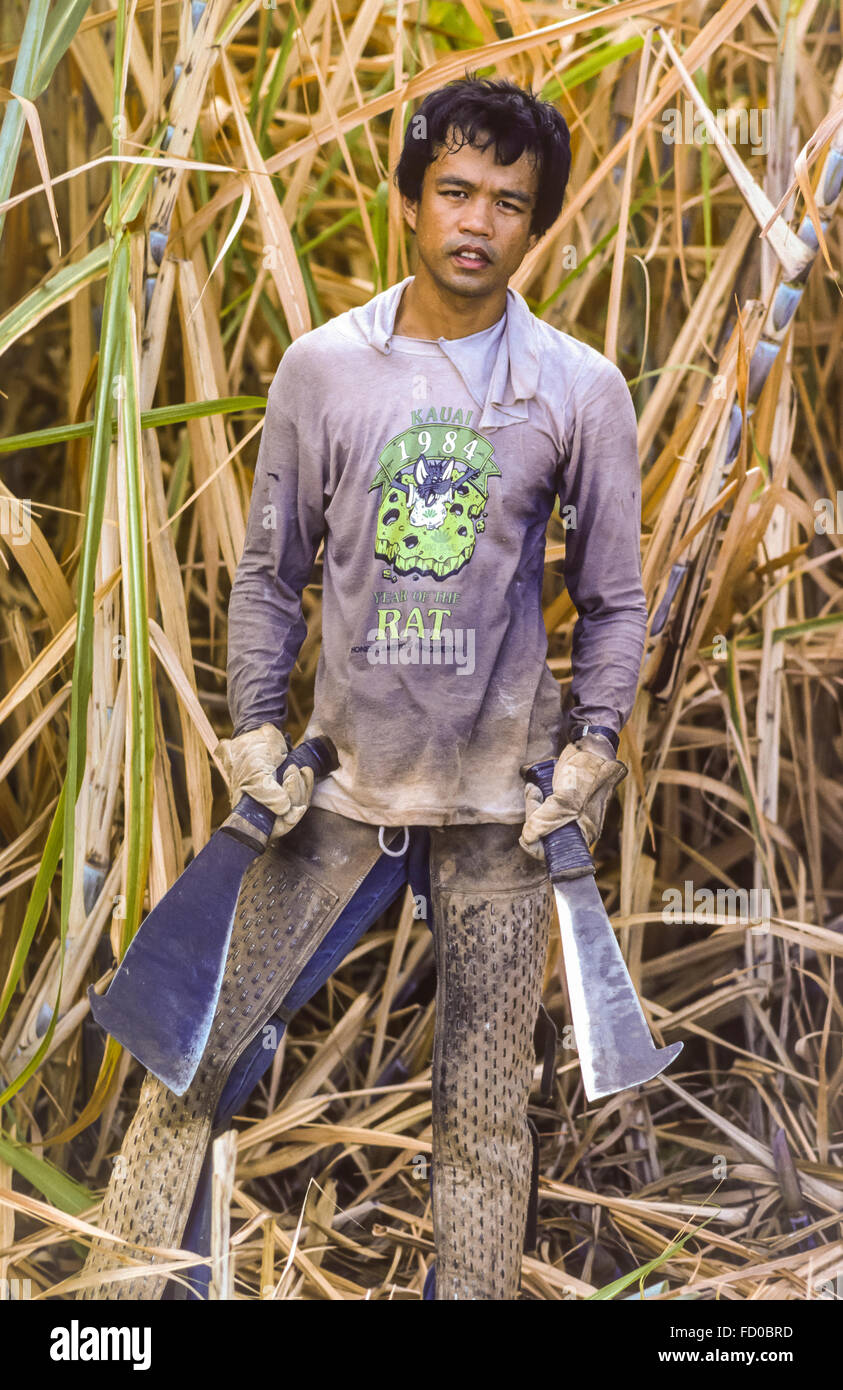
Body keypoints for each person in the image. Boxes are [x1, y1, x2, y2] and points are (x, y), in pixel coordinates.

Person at [80, 73, 647, 1302]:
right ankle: (123, 1311)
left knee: (489, 1122)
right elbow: (270, 575)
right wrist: (253, 732)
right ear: (407, 198)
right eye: (454, 190)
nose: (477, 222)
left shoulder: (576, 387)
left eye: (509, 201)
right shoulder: (324, 371)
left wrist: (593, 749)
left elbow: (615, 599)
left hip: (507, 811)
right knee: (196, 1055)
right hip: (329, 796)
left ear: (536, 223)